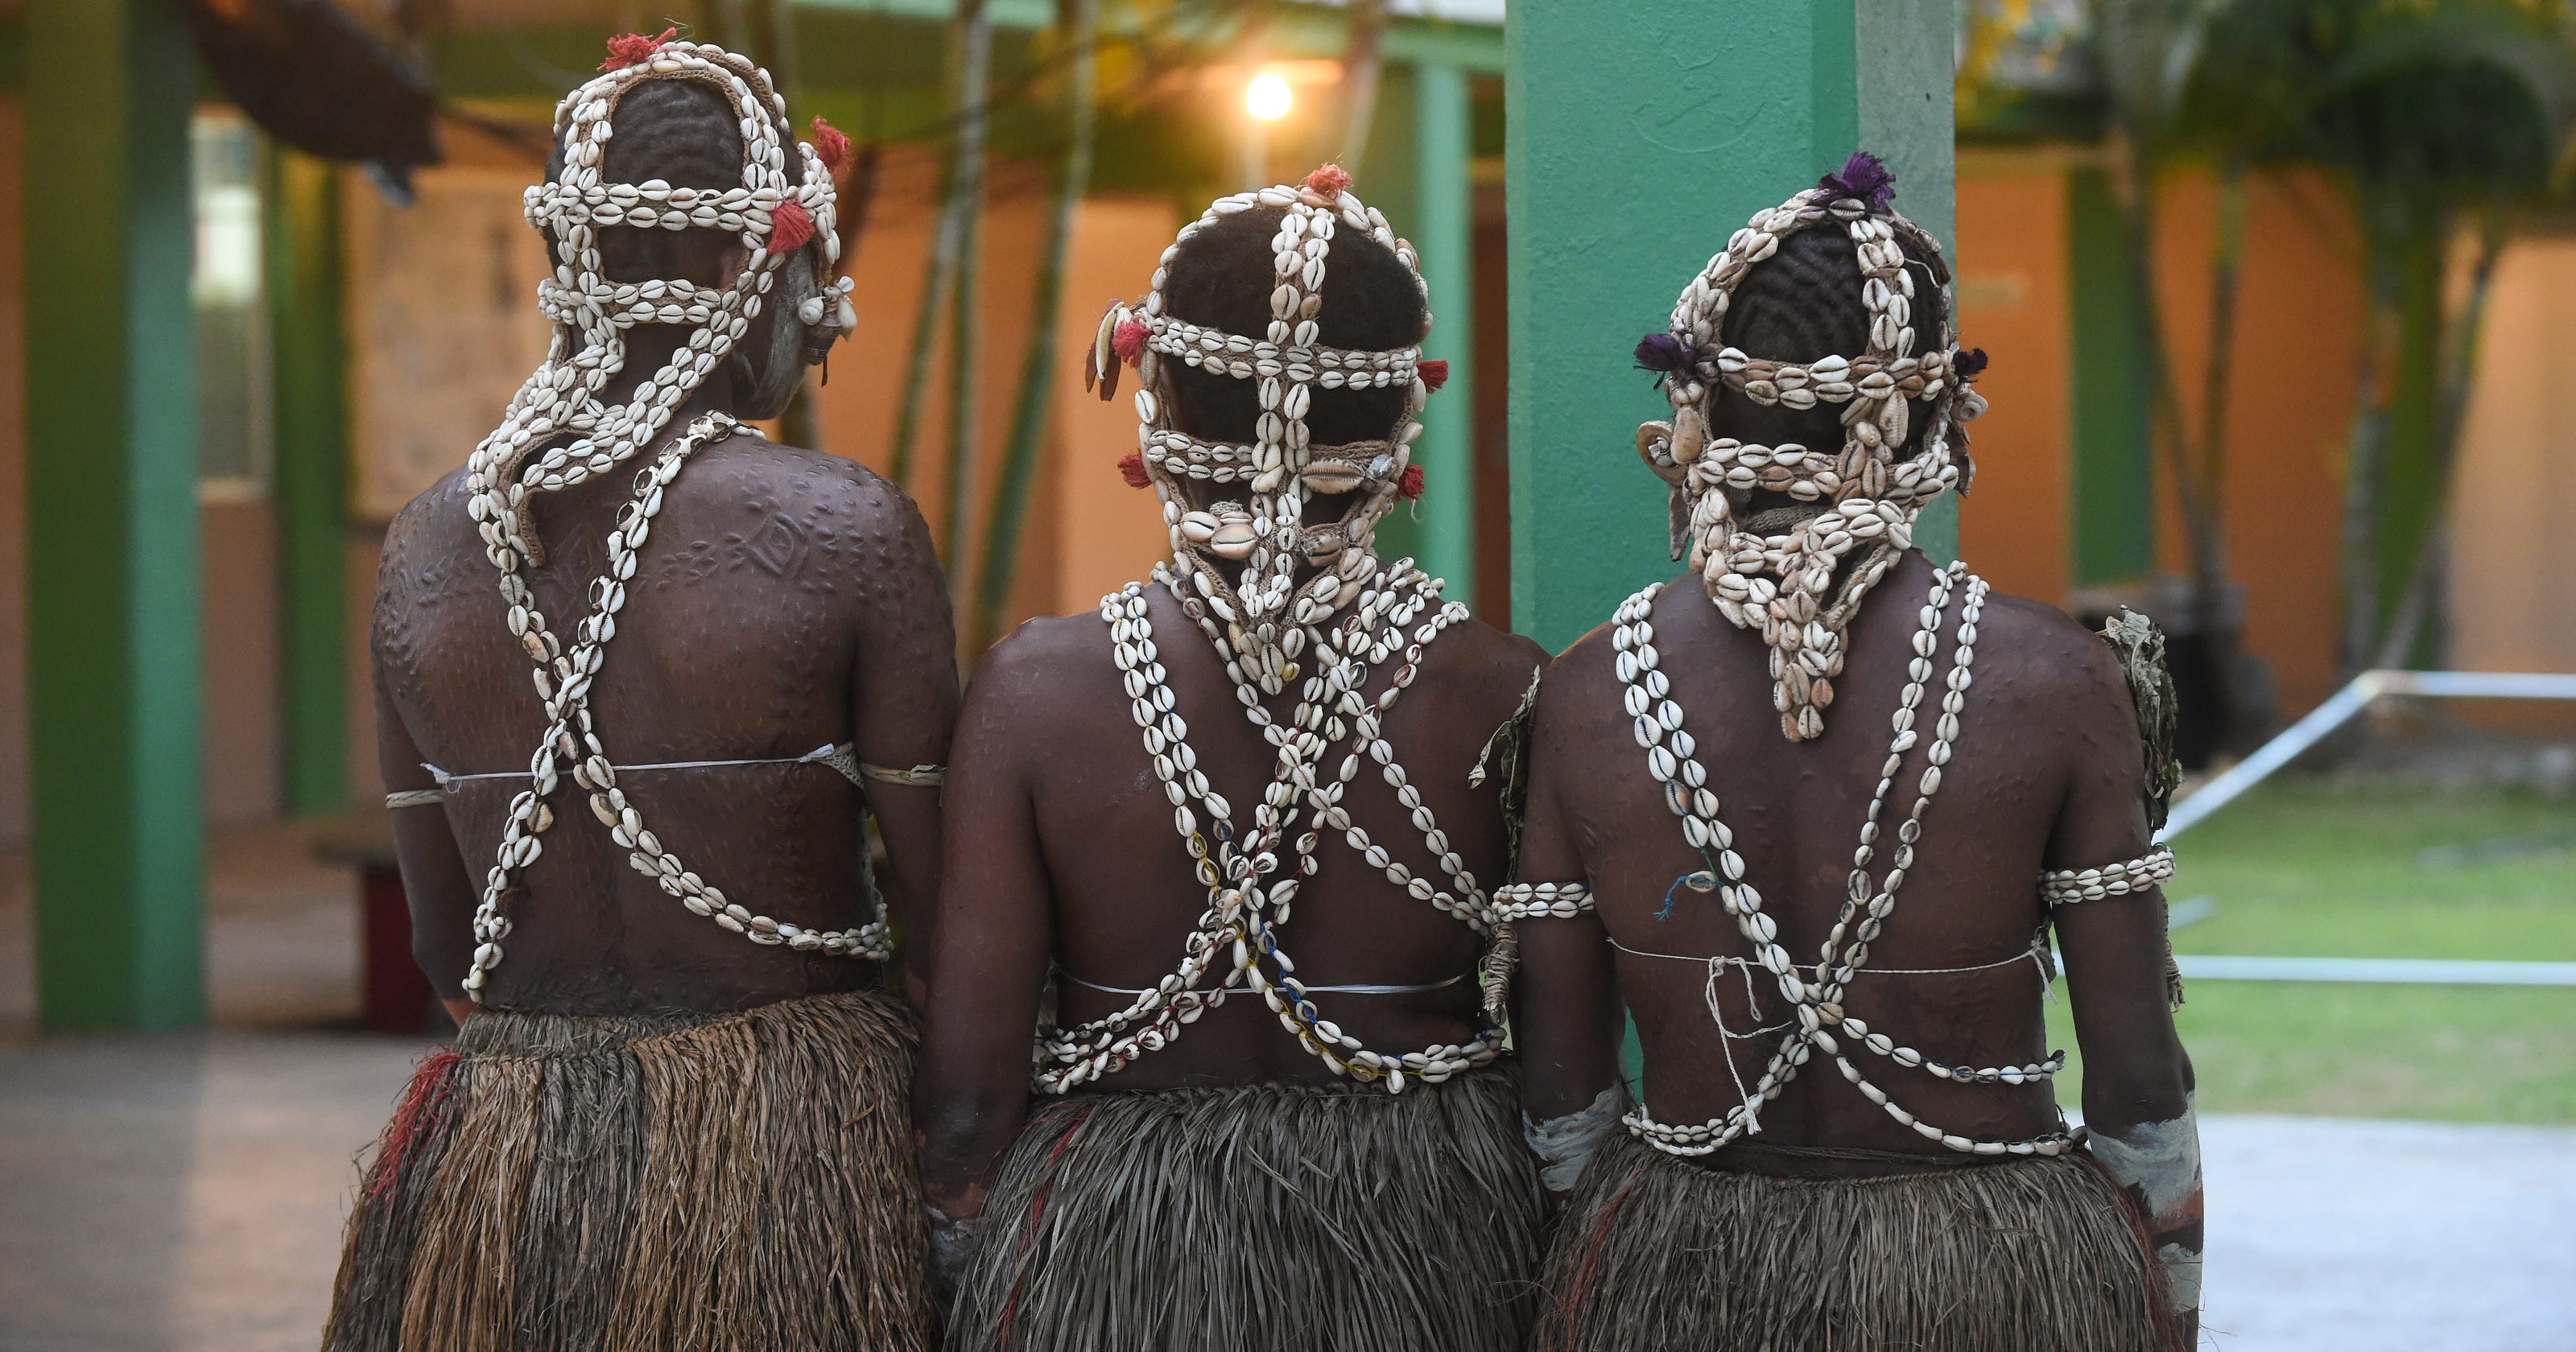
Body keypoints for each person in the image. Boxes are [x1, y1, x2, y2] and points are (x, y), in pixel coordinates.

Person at [1507, 154, 2202, 1352]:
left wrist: (1594, 1265)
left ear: (1700, 414)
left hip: (1675, 1270)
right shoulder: (2055, 681)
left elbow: (1562, 1089)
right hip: (2004, 1275)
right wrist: (2175, 1308)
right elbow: (2140, 1082)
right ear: (1937, 416)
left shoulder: (1585, 692)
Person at [328, 35, 954, 1351]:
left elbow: (454, 952)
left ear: (575, 268)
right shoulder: (848, 525)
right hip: (799, 1165)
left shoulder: (430, 542)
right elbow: (947, 922)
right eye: (812, 275)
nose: (822, 318)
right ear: (743, 266)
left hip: (500, 1176)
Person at [912, 166, 1550, 1352]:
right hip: (1428, 1248)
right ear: (1397, 430)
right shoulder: (1496, 687)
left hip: (1104, 1253)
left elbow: (969, 1095)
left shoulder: (1039, 694)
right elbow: (1567, 1056)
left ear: (1152, 401)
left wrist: (955, 1268)